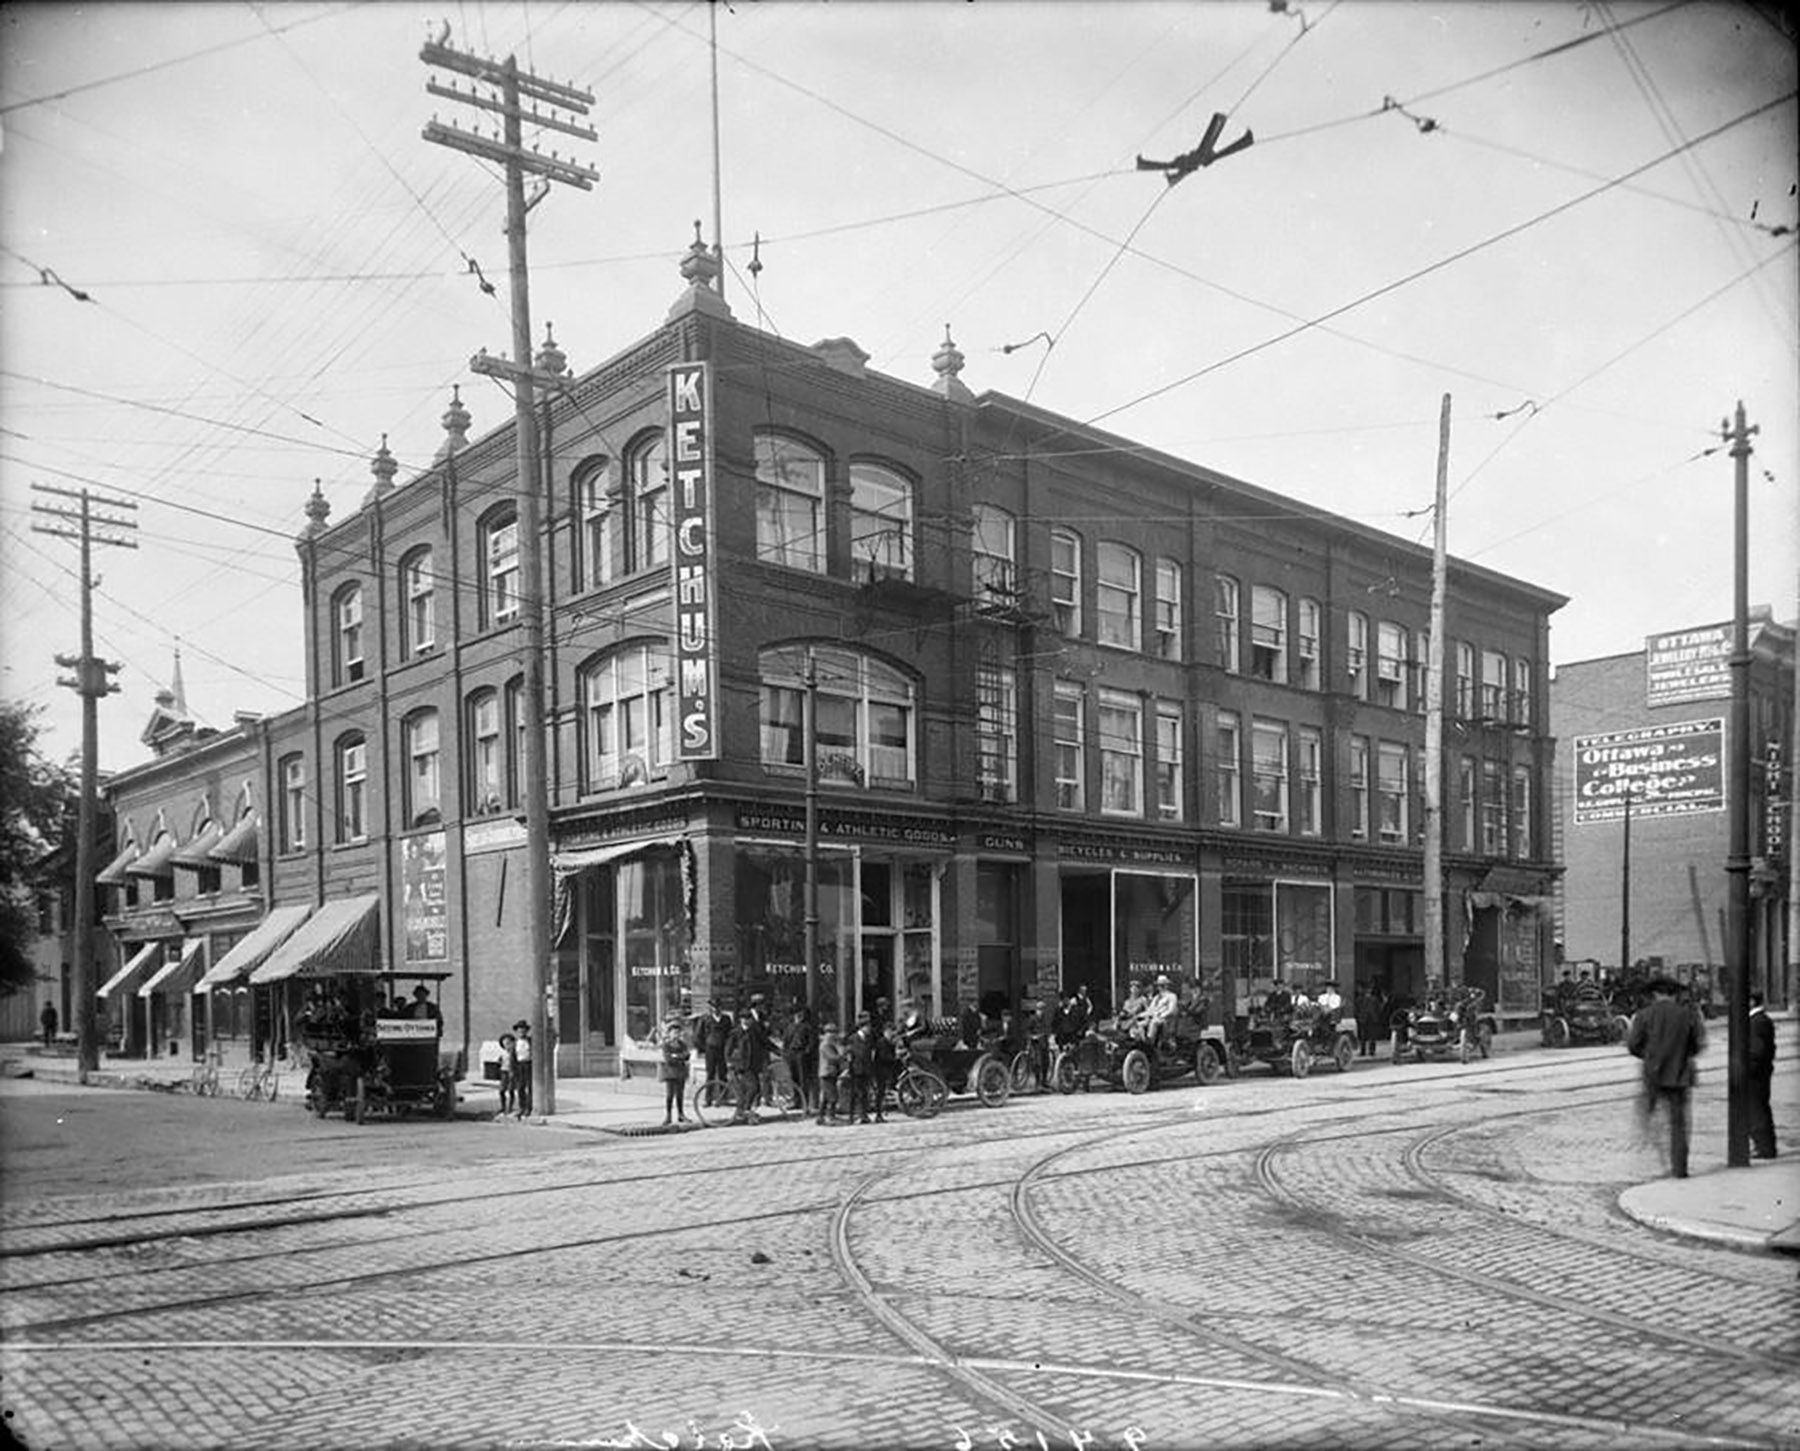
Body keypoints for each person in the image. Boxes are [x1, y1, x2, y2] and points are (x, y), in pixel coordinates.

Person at [1626, 978, 1704, 1178]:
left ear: (1655, 994)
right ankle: (1680, 1169)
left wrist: (1650, 1056)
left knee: (1649, 1115)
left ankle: (1651, 1164)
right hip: (1679, 1074)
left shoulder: (1644, 1015)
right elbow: (1696, 1045)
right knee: (1679, 1123)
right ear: (1673, 994)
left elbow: (1633, 1045)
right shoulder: (1687, 1015)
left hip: (1653, 1073)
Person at [1748, 991, 1777, 1160]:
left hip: (1756, 1074)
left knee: (1756, 1109)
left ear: (1752, 1001)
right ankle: (1765, 1145)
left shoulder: (1757, 1022)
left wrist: (1748, 1070)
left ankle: (1764, 1147)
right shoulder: (1761, 1020)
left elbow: (1757, 1050)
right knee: (1760, 1108)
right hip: (1762, 1072)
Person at [785, 1005, 818, 1116]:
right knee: (793, 1078)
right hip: (792, 1054)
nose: (798, 1016)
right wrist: (786, 1052)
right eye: (797, 1014)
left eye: (801, 1014)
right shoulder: (790, 1027)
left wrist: (806, 1052)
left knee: (803, 1078)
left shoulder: (807, 1027)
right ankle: (796, 1100)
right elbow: (786, 1040)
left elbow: (812, 1041)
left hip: (802, 1054)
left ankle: (805, 1102)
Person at [658, 1017, 690, 1126]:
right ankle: (668, 1115)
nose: (676, 1034)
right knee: (670, 1095)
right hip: (670, 1073)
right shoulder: (666, 1045)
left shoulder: (682, 1045)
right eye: (673, 1032)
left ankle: (681, 1114)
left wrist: (677, 1056)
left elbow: (687, 1055)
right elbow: (668, 1059)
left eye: (677, 1032)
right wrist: (677, 1057)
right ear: (669, 1034)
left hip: (680, 1072)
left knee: (680, 1095)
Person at [845, 1013, 874, 1124]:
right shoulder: (852, 1038)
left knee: (865, 1093)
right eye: (868, 1027)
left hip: (866, 1069)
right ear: (863, 1027)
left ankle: (864, 1115)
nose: (870, 1029)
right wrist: (849, 1067)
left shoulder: (869, 1039)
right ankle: (852, 1115)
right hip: (856, 1069)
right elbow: (848, 1054)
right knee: (856, 1093)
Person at [816, 1020, 843, 1126]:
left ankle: (821, 1117)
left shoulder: (829, 1044)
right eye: (833, 1033)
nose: (835, 1035)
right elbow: (832, 1058)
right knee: (832, 1096)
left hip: (830, 1072)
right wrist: (842, 1055)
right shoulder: (826, 1045)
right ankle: (829, 1117)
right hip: (827, 1072)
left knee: (826, 1096)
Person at [1143, 974, 1179, 1045]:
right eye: (1159, 985)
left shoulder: (1172, 996)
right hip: (1154, 1017)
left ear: (1167, 986)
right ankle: (1141, 1041)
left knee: (1154, 1023)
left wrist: (1160, 1015)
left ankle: (1150, 1042)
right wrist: (1138, 1016)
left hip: (1165, 1020)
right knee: (1139, 1024)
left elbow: (1171, 1010)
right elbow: (1150, 1010)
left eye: (1163, 985)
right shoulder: (1156, 997)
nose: (1161, 987)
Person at [512, 1019, 534, 1119]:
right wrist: (513, 1070)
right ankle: (522, 1107)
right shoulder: (515, 1043)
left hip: (528, 1065)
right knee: (520, 1087)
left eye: (523, 1030)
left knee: (529, 1087)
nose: (521, 1032)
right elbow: (513, 1057)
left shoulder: (530, 1041)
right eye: (519, 1030)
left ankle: (528, 1108)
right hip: (519, 1066)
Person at [496, 1032, 517, 1117]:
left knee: (511, 1090)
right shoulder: (502, 1053)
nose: (507, 1046)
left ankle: (510, 1107)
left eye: (508, 1043)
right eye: (505, 1044)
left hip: (511, 1072)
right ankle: (503, 1107)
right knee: (502, 1090)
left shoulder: (514, 1053)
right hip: (504, 1072)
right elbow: (499, 1063)